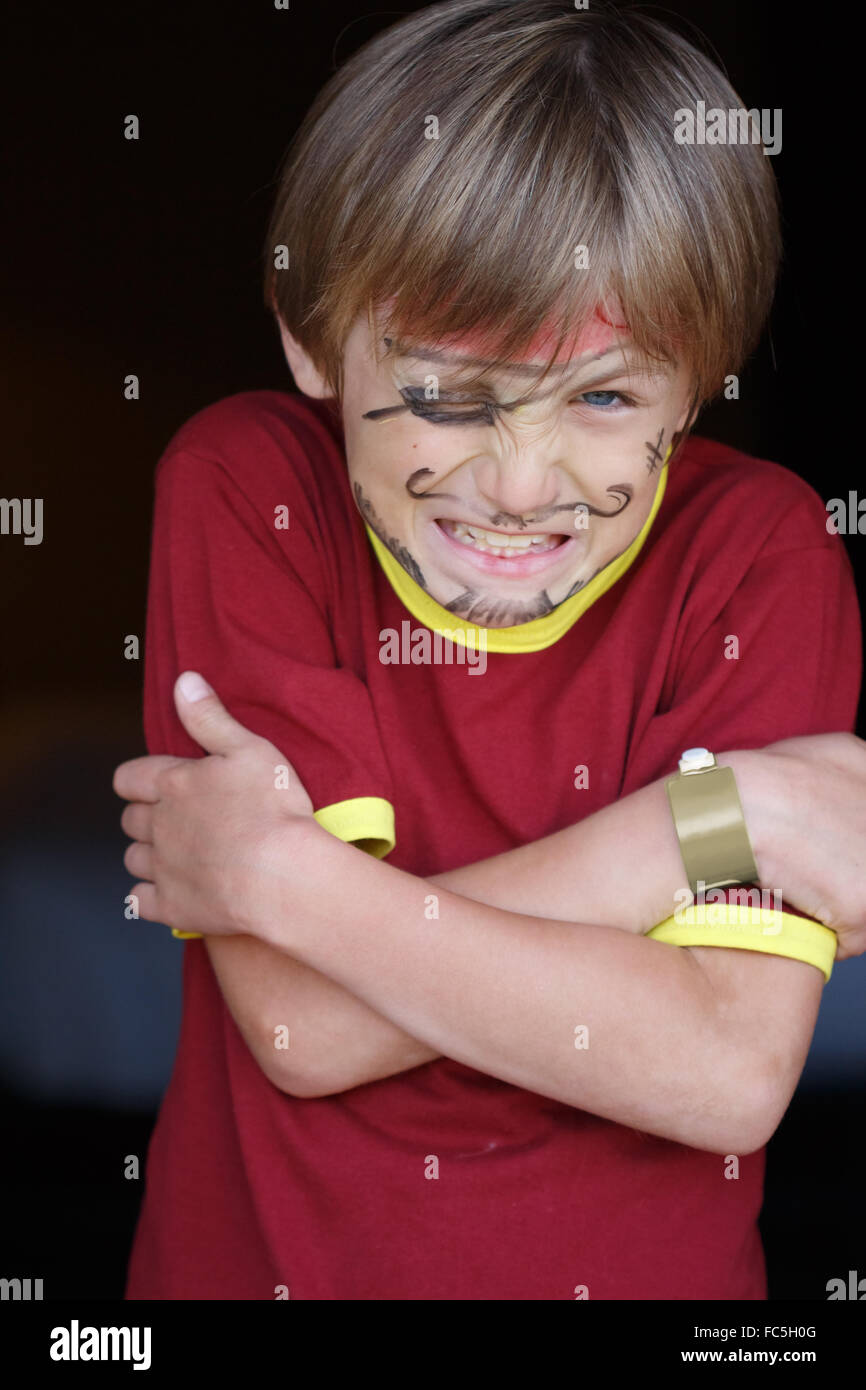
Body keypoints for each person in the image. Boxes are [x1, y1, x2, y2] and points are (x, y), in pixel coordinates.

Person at [115, 0, 865, 1300]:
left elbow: (724, 1075)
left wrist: (291, 883)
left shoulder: (759, 552)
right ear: (309, 336)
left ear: (693, 386)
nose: (520, 485)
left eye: (604, 395)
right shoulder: (248, 487)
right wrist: (710, 818)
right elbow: (302, 1023)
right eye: (449, 391)